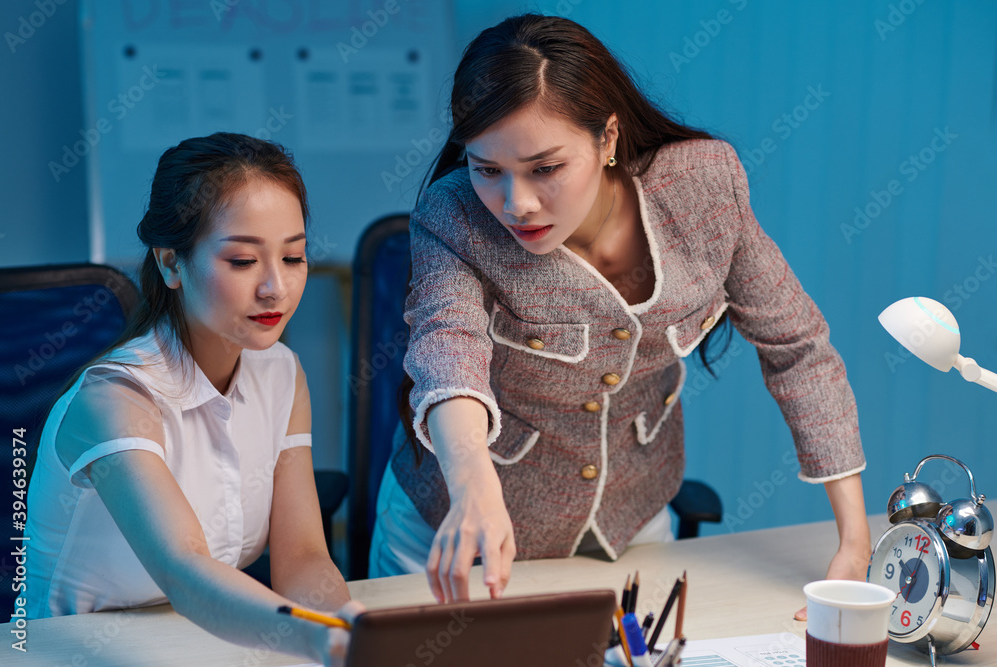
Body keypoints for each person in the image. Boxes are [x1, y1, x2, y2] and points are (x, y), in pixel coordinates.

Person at [369, 14, 871, 619]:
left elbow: (797, 345)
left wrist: (853, 541)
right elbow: (447, 348)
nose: (515, 203)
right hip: (460, 531)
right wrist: (471, 475)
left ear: (607, 138)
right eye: (487, 169)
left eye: (545, 168)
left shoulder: (702, 185)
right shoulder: (453, 216)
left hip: (631, 524)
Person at [25, 132, 361, 665]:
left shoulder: (281, 374)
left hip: (202, 642)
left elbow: (302, 559)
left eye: (293, 256)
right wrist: (318, 640)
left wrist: (348, 628)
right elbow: (186, 571)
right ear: (172, 264)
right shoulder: (115, 397)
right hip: (72, 655)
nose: (276, 287)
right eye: (243, 260)